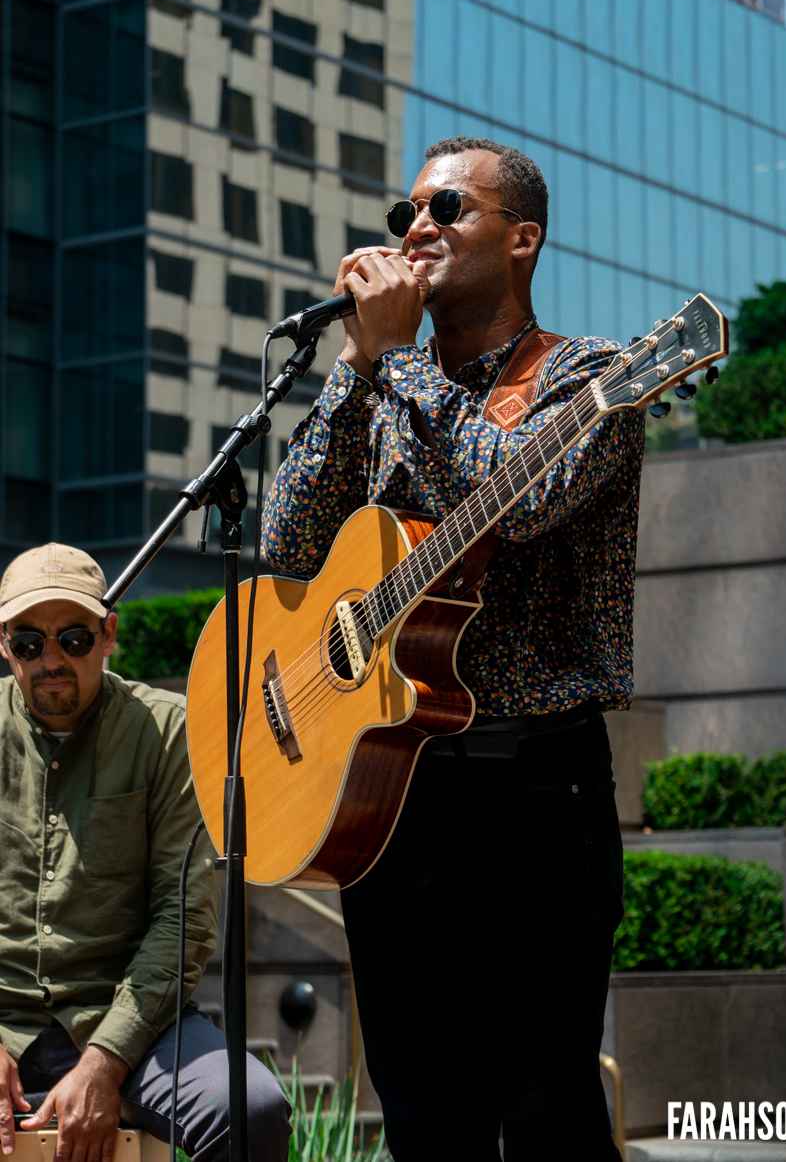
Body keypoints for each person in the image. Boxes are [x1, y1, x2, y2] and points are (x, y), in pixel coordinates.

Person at [262, 136, 644, 1160]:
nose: (415, 228)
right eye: (405, 215)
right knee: (425, 1119)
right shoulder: (380, 385)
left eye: (444, 207)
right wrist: (356, 370)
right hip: (390, 798)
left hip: (533, 796)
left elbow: (526, 495)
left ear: (521, 238)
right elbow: (287, 544)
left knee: (550, 1115)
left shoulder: (590, 372)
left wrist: (397, 368)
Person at [0, 542, 290, 1162]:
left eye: (73, 638)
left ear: (108, 634)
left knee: (250, 1110)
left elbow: (181, 920)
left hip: (131, 1026)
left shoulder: (170, 732)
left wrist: (106, 1060)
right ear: (4, 644)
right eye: (29, 643)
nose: (50, 659)